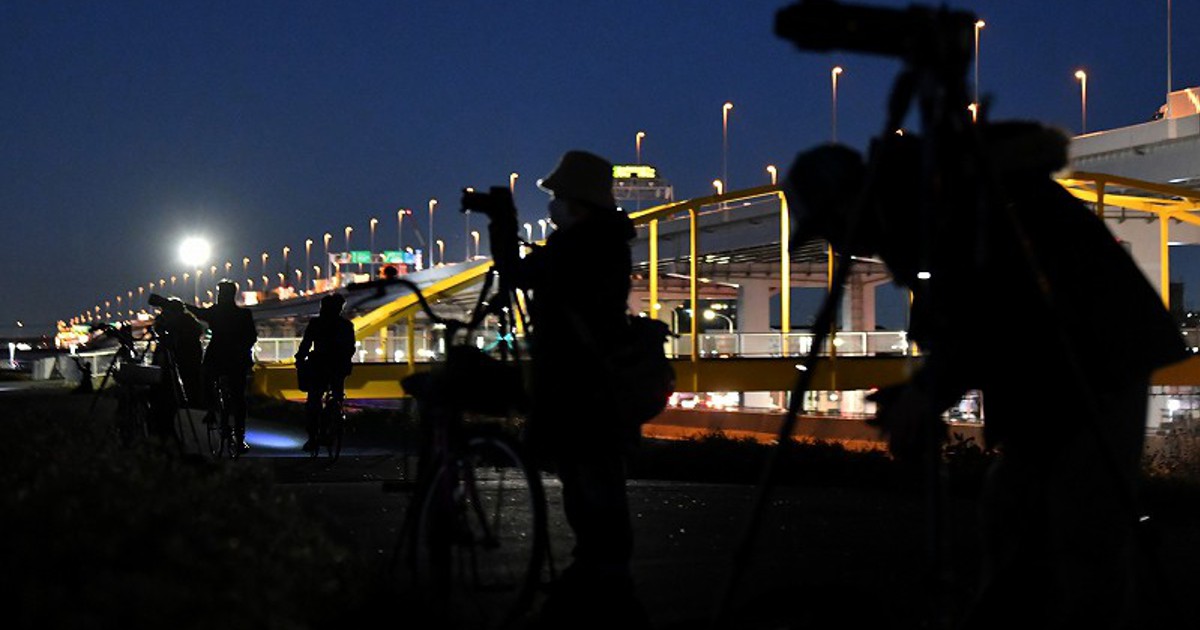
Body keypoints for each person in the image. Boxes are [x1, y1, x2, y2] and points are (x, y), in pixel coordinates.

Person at [782, 121, 1190, 629]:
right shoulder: (919, 200)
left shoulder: (931, 201)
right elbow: (977, 315)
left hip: (1093, 359)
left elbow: (993, 306)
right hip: (1066, 358)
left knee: (1083, 529)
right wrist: (923, 391)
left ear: (846, 203)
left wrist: (929, 391)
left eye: (829, 227)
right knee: (1015, 514)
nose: (838, 245)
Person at [480, 149, 650, 628]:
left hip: (580, 382)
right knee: (593, 478)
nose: (552, 205)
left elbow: (516, 275)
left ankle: (605, 575)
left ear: (578, 199)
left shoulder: (583, 244)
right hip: (587, 379)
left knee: (590, 480)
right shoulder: (601, 239)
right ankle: (599, 571)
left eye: (557, 197)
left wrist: (502, 223)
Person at [186, 279, 259, 454]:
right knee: (238, 398)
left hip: (217, 357)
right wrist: (242, 348)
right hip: (237, 360)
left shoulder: (215, 312)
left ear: (223, 295)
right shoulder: (244, 314)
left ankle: (211, 409)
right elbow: (252, 337)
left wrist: (184, 306)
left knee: (207, 378)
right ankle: (241, 439)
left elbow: (199, 313)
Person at [294, 293, 356, 453]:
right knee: (337, 395)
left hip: (319, 364)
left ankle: (313, 437)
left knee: (314, 400)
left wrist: (300, 359)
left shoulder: (316, 323)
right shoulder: (346, 325)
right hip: (338, 366)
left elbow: (306, 344)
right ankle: (335, 416)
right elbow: (351, 348)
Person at [147, 294, 205, 442]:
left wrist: (163, 327)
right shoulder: (189, 325)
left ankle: (173, 430)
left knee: (176, 398)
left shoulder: (184, 328)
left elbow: (180, 352)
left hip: (183, 371)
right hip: (189, 372)